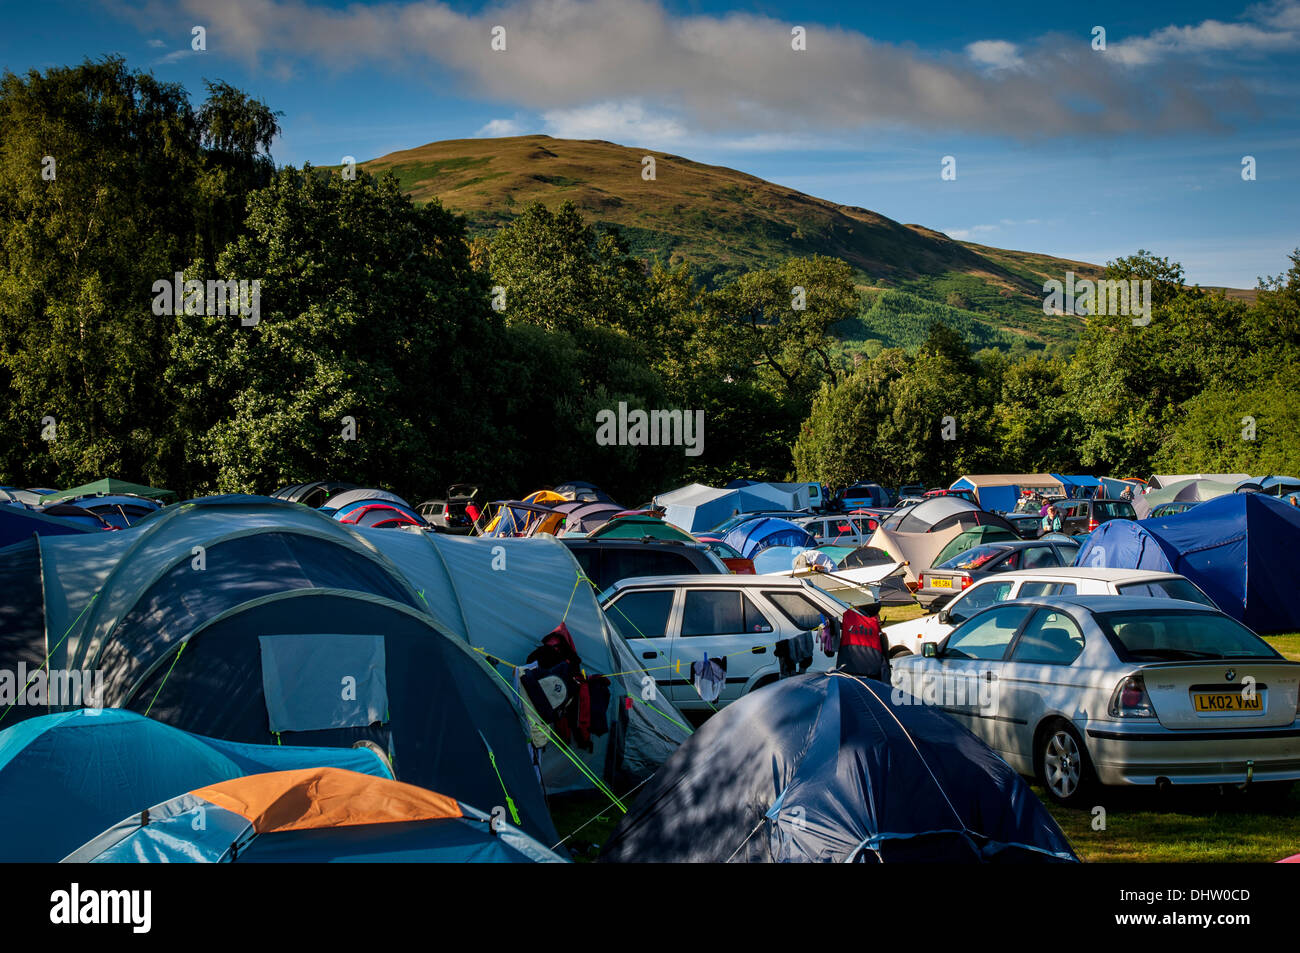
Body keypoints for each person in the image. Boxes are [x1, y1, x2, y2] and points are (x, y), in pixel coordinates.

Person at [836, 603, 890, 682]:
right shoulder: (879, 634)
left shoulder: (846, 617)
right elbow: (885, 668)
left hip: (847, 672)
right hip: (872, 676)